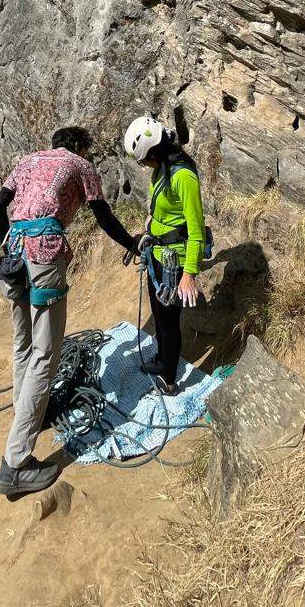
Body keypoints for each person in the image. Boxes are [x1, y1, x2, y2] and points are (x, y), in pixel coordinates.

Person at [0, 125, 139, 498]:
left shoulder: (27, 161)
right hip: (45, 255)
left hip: (14, 252)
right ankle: (16, 463)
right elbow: (102, 214)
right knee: (46, 353)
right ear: (79, 146)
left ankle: (28, 413)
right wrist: (131, 243)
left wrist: (8, 247)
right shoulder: (79, 164)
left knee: (23, 342)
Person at [124, 115, 206, 396]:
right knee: (159, 315)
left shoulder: (183, 176)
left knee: (169, 323)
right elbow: (159, 211)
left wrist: (188, 275)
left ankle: (170, 381)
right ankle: (162, 360)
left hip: (175, 260)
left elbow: (196, 232)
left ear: (154, 152)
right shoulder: (162, 171)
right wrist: (148, 228)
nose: (144, 166)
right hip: (157, 254)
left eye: (144, 160)